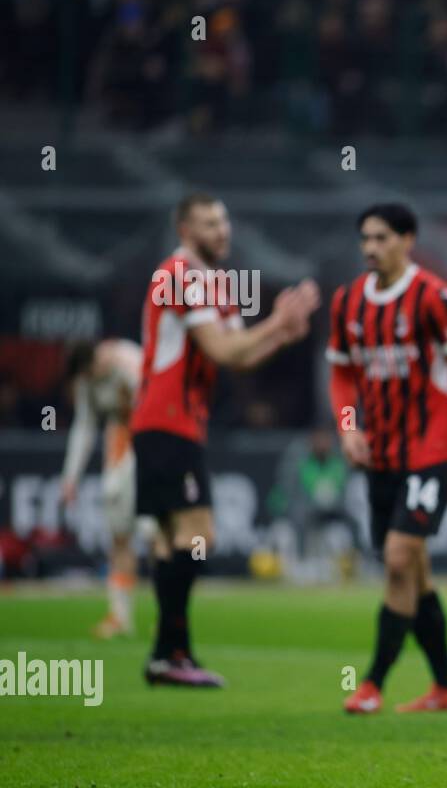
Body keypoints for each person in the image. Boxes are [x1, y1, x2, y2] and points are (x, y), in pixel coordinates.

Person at [131, 191, 320, 687]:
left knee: (179, 539)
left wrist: (281, 334)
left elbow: (239, 356)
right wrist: (276, 322)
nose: (223, 231)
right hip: (164, 419)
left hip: (178, 424)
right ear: (185, 230)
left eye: (224, 221)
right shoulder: (179, 275)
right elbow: (219, 347)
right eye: (210, 223)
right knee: (198, 537)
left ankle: (170, 654)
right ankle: (170, 653)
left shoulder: (217, 284)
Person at [327, 203, 447, 715]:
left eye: (381, 238)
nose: (370, 248)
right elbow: (341, 375)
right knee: (412, 570)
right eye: (365, 238)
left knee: (398, 558)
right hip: (381, 456)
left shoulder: (434, 298)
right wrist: (350, 429)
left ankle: (372, 683)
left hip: (432, 450)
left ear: (407, 240)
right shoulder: (347, 302)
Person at [60, 338, 143, 638]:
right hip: (119, 449)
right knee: (119, 534)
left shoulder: (129, 361)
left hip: (150, 446)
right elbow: (84, 427)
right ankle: (121, 616)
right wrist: (71, 477)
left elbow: (152, 404)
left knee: (157, 533)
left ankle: (169, 614)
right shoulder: (87, 382)